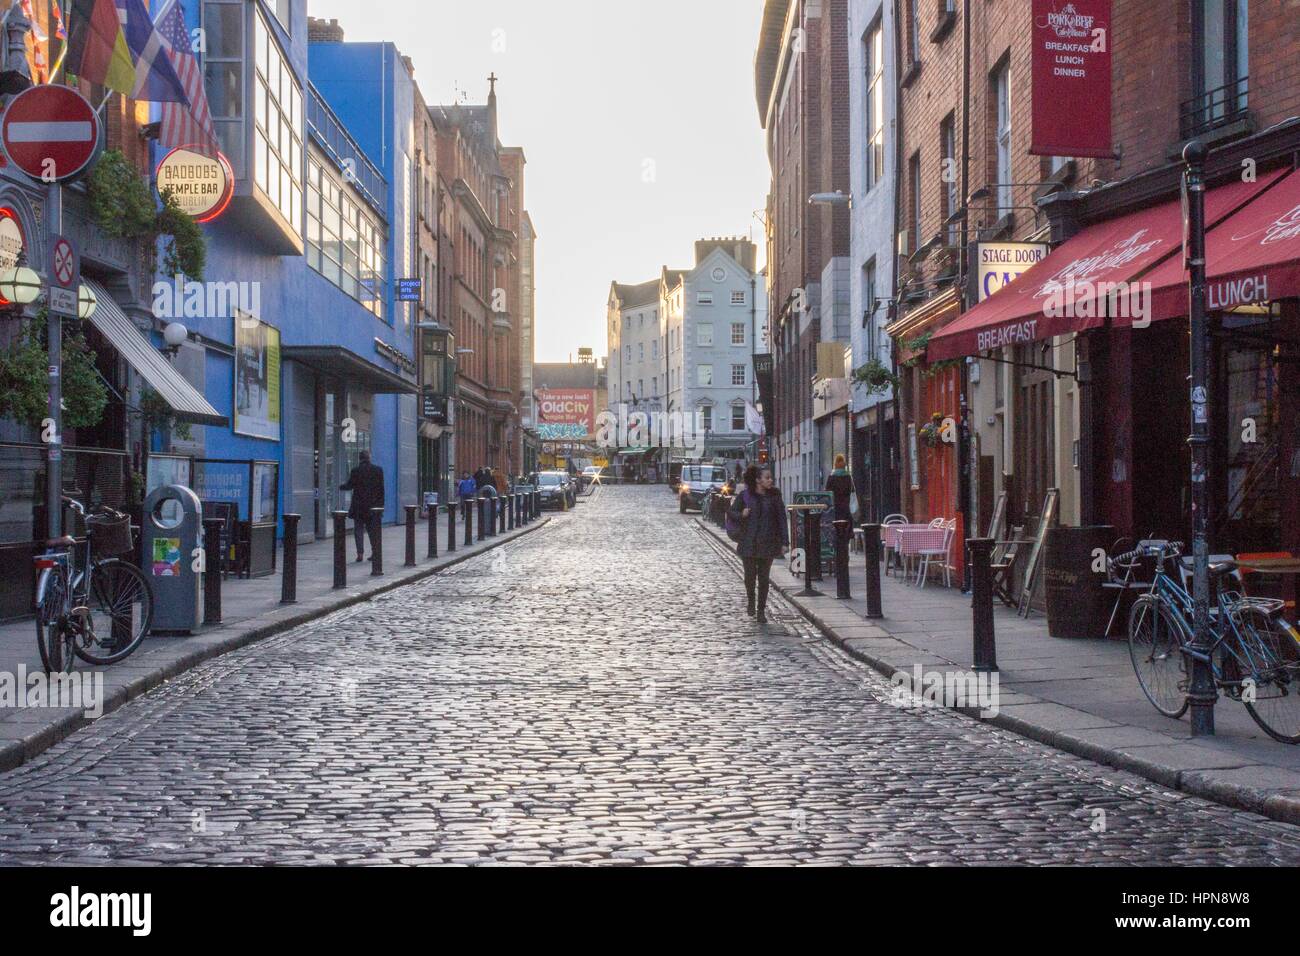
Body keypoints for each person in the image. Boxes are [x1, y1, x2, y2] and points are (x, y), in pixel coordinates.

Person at [729, 465, 788, 624]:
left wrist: (784, 542)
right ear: (757, 480)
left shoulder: (775, 497)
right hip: (748, 543)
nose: (770, 480)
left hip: (768, 543)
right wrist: (742, 514)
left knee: (764, 579)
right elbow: (731, 513)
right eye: (767, 477)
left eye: (770, 477)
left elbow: (782, 519)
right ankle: (751, 601)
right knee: (749, 577)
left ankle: (761, 610)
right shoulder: (745, 496)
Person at [340, 451, 385, 563]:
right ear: (369, 458)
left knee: (358, 530)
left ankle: (360, 553)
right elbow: (381, 489)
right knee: (372, 531)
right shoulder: (378, 470)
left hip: (359, 506)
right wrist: (381, 505)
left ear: (360, 459)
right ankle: (375, 552)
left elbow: (350, 485)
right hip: (373, 507)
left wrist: (341, 486)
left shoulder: (356, 471)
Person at [826, 453, 854, 529]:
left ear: (835, 464)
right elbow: (852, 490)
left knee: (836, 525)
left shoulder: (831, 477)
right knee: (846, 525)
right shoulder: (848, 477)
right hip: (846, 506)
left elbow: (827, 492)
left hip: (835, 507)